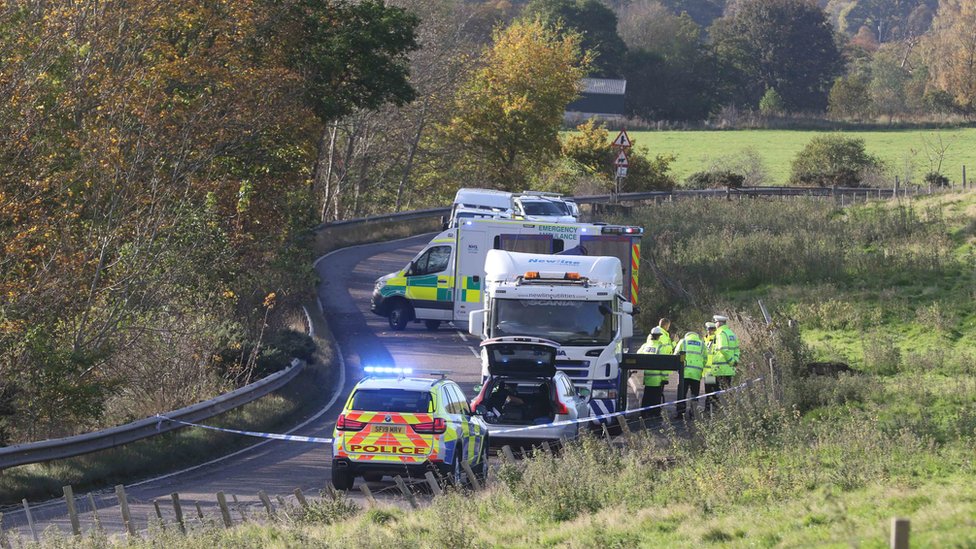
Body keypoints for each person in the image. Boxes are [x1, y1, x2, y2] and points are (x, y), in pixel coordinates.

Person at [636, 327, 672, 418]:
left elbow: (638, 355)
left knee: (647, 396)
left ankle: (643, 414)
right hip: (657, 379)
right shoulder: (660, 347)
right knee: (656, 398)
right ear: (659, 336)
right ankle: (655, 414)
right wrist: (665, 378)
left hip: (647, 377)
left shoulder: (645, 346)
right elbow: (663, 365)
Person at [672, 331, 706, 418]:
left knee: (682, 393)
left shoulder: (683, 341)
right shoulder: (702, 343)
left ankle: (680, 413)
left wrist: (678, 367)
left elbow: (676, 355)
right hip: (696, 373)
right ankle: (693, 413)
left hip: (684, 372)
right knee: (694, 393)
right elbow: (705, 358)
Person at [713, 315, 740, 392]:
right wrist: (735, 360)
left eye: (715, 322)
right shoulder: (732, 334)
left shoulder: (721, 334)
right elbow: (737, 349)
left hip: (720, 369)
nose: (715, 324)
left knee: (718, 392)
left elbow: (723, 349)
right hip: (729, 369)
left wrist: (731, 360)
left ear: (719, 323)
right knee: (727, 391)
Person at [702, 322, 719, 410]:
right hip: (712, 370)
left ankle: (709, 410)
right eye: (709, 330)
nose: (709, 331)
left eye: (710, 330)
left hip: (711, 370)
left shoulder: (713, 340)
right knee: (712, 392)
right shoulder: (706, 339)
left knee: (709, 392)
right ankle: (712, 410)